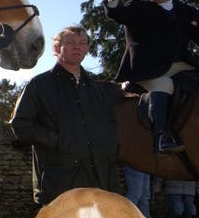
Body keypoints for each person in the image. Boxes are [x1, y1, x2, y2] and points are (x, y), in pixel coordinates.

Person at [105, 0, 199, 154]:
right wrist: (112, 2)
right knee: (164, 85)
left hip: (180, 65)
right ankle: (161, 138)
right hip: (145, 69)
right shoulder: (138, 7)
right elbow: (119, 14)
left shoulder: (185, 12)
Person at [10, 25, 120, 205]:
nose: (77, 46)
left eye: (82, 42)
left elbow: (111, 126)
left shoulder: (97, 89)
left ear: (87, 49)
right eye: (70, 42)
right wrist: (59, 142)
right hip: (59, 185)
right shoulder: (39, 85)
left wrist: (108, 149)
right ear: (56, 48)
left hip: (101, 185)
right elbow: (20, 125)